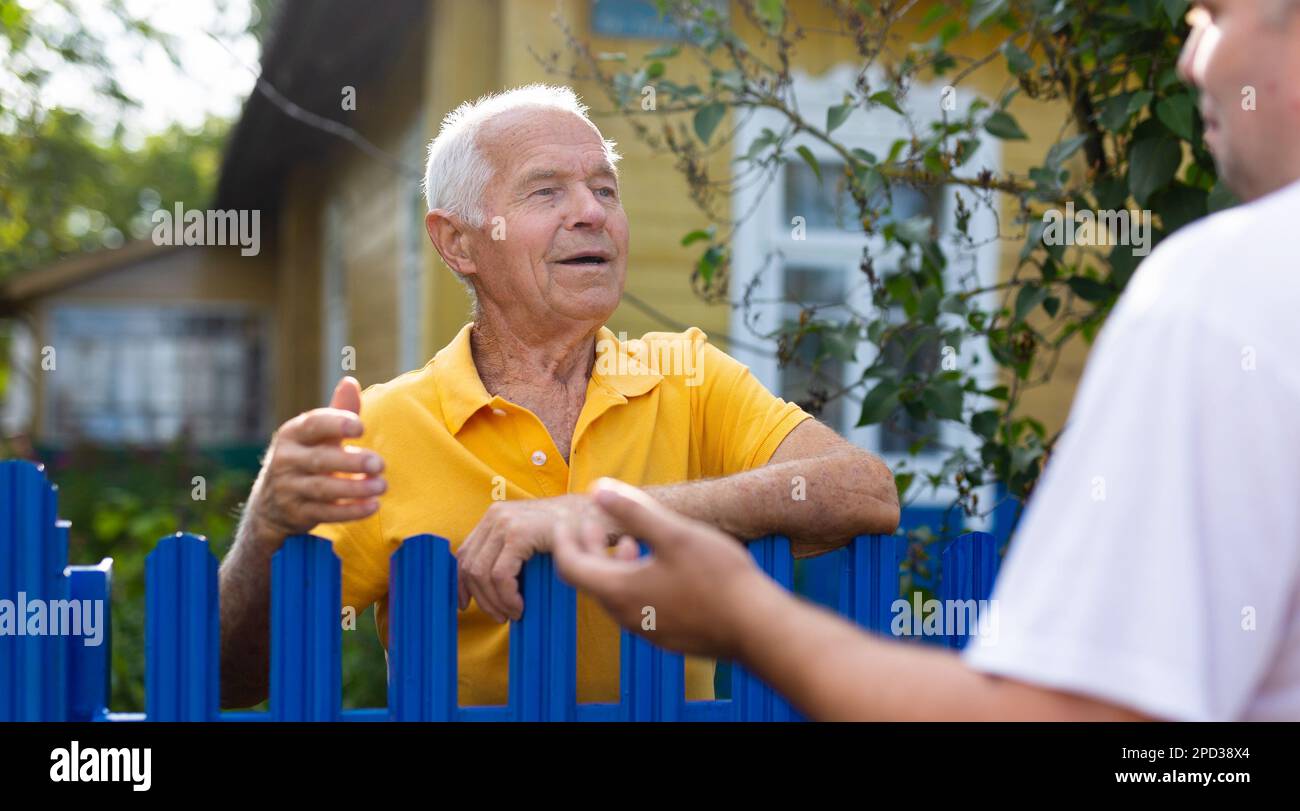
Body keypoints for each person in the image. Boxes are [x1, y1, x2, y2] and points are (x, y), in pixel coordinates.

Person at [552, 0, 1300, 721]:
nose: (1190, 57)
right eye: (546, 191)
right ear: (457, 240)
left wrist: (743, 616)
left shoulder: (1224, 292)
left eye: (1215, 14)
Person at [217, 85, 900, 709]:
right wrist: (267, 527)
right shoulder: (386, 424)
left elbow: (866, 493)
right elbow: (232, 680)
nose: (591, 213)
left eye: (605, 189)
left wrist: (596, 515)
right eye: (545, 192)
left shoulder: (688, 376)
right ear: (457, 242)